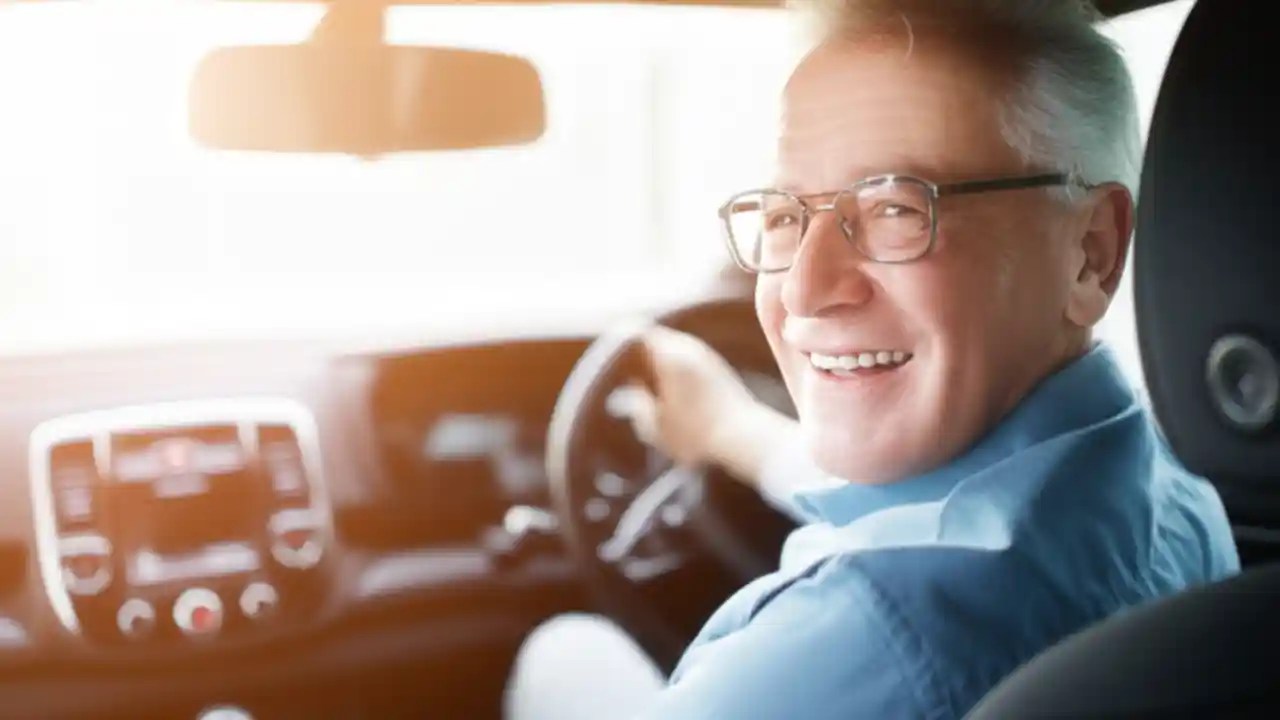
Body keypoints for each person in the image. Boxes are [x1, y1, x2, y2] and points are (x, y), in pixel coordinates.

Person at [506, 1, 1240, 718]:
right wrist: (736, 432)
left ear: (1091, 254)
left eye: (896, 209)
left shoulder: (855, 647)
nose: (804, 289)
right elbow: (933, 502)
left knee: (565, 653)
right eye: (787, 216)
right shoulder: (1173, 494)